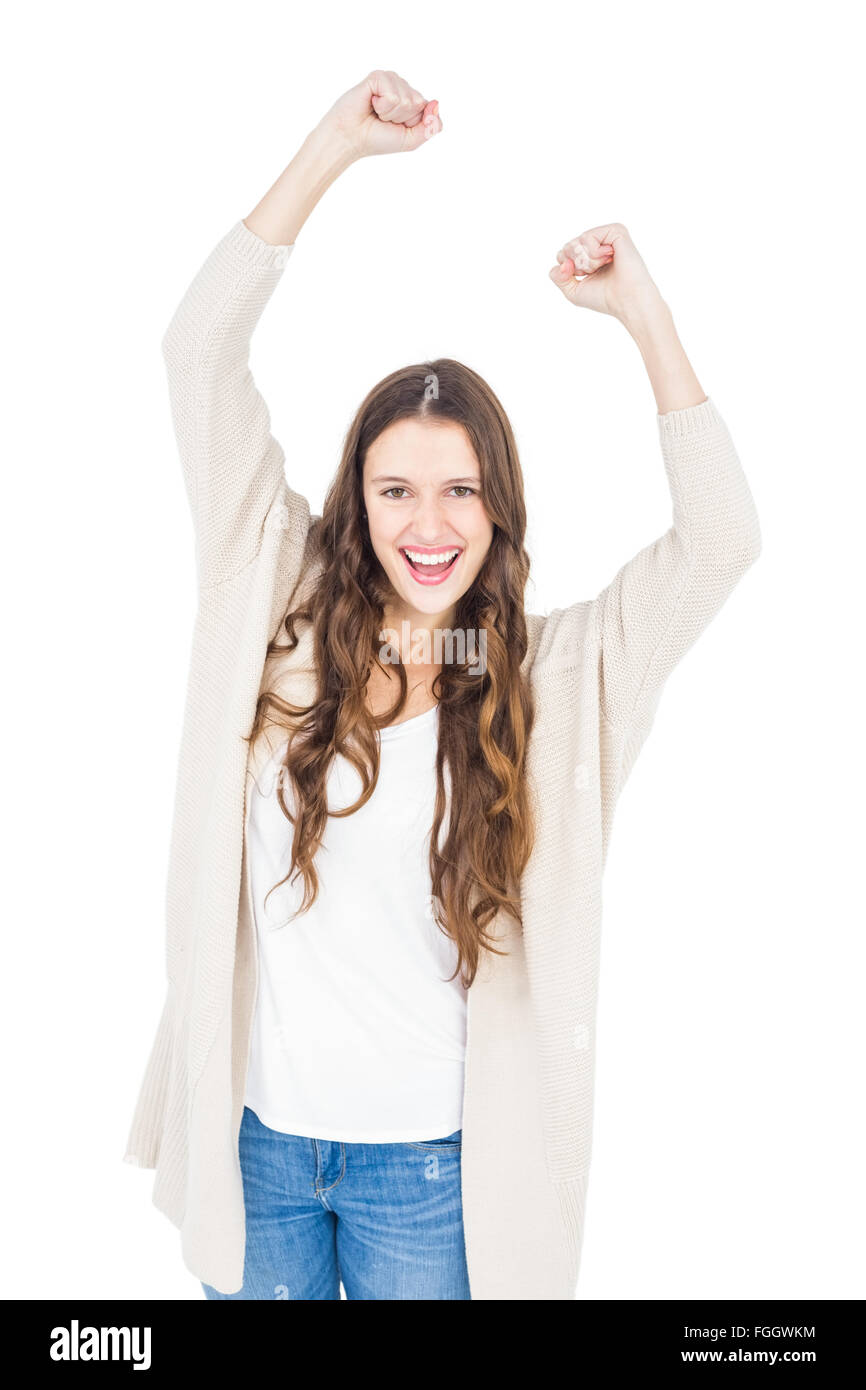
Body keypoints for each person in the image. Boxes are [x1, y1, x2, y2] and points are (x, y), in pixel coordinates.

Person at [123, 69, 762, 1301]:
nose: (428, 523)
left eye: (461, 489)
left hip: (428, 1180)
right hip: (256, 1153)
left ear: (498, 508)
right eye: (396, 488)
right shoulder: (274, 592)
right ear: (355, 505)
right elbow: (196, 351)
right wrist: (331, 147)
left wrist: (642, 313)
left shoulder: (559, 671)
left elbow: (722, 541)